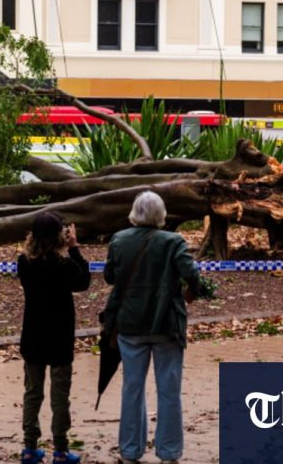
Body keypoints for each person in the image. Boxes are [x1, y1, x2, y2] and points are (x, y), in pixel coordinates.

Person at [102, 191, 201, 464]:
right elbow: (192, 275)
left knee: (132, 388)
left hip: (130, 326)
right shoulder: (173, 242)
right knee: (169, 391)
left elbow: (110, 276)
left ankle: (130, 450)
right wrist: (193, 290)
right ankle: (169, 453)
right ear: (161, 214)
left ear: (134, 213)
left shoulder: (119, 240)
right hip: (166, 326)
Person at [17, 212, 91, 464]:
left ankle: (29, 447)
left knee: (32, 393)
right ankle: (60, 449)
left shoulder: (24, 262)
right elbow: (84, 281)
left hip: (33, 336)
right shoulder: (64, 266)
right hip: (60, 338)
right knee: (60, 396)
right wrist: (74, 248)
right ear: (61, 236)